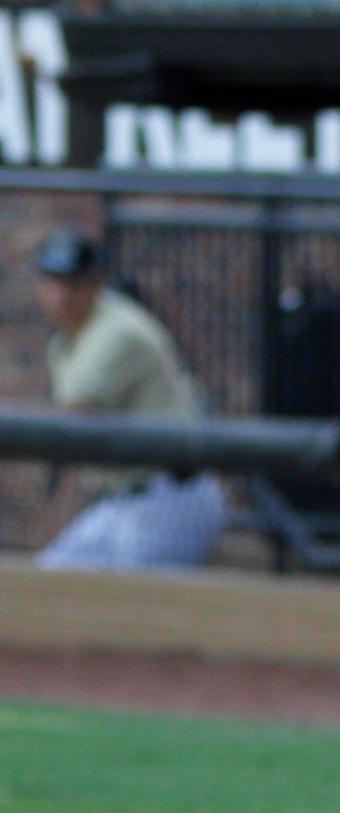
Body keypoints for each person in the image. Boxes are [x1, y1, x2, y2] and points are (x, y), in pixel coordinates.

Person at [32, 228, 227, 571]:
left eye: (75, 283)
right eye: (54, 281)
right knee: (51, 578)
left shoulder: (117, 330)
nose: (62, 294)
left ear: (95, 284)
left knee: (142, 613)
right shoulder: (65, 341)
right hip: (122, 502)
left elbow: (67, 420)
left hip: (171, 499)